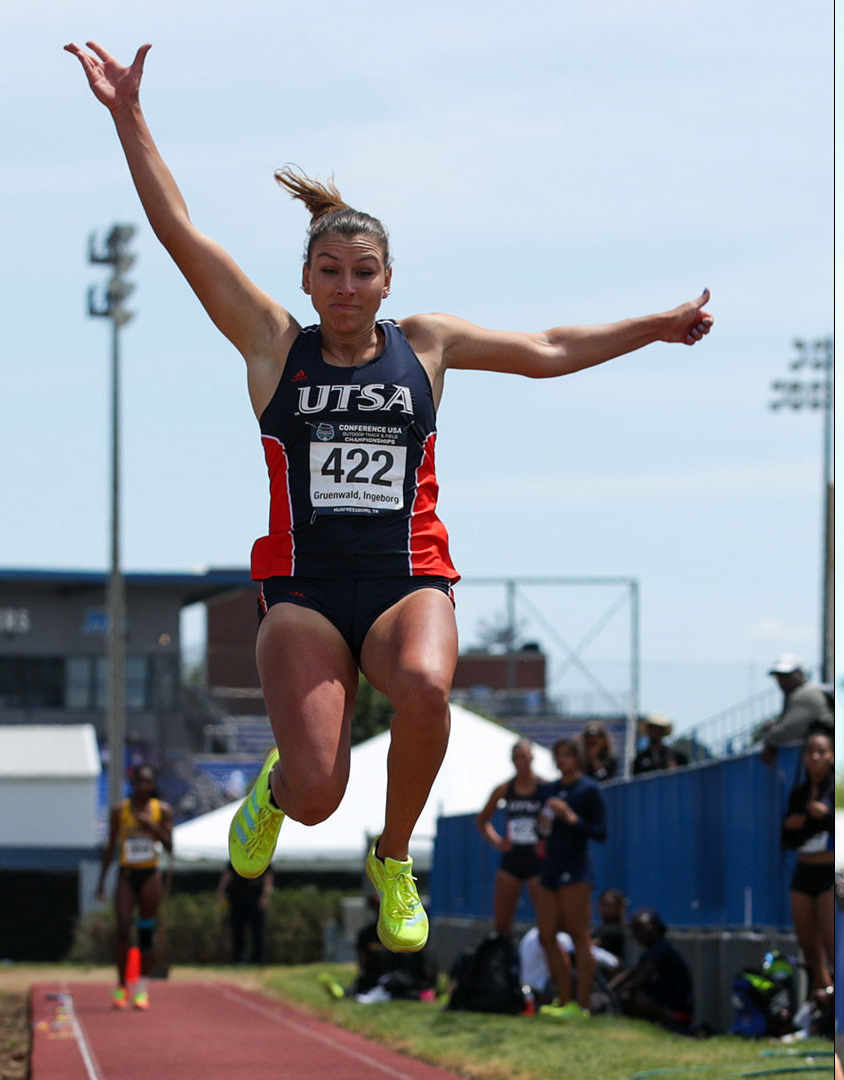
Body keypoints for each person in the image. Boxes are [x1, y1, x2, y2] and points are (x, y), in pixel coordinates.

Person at [65, 41, 713, 956]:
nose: (346, 287)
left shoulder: (429, 344)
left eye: (362, 270)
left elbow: (553, 347)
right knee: (319, 789)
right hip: (304, 592)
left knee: (424, 686)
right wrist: (129, 116)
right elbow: (182, 235)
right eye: (329, 270)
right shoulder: (271, 347)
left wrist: (658, 326)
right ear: (306, 280)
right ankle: (276, 792)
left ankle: (394, 857)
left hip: (410, 575)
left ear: (387, 278)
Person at [535, 737, 609, 1017]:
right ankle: (564, 1000)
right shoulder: (550, 790)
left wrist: (570, 817)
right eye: (559, 755)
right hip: (550, 867)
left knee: (580, 936)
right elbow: (541, 831)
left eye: (568, 755)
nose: (562, 760)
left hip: (576, 869)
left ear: (578, 758)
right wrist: (543, 826)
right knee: (546, 935)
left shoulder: (589, 790)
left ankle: (583, 1004)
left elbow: (600, 832)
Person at [96, 764, 174, 1009]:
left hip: (149, 875)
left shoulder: (161, 810)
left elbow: (171, 846)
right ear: (132, 783)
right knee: (122, 929)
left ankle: (141, 989)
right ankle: (121, 987)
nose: (143, 786)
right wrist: (101, 881)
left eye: (147, 782)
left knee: (145, 933)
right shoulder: (120, 811)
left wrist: (151, 826)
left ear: (153, 785)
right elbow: (110, 847)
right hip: (126, 874)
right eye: (139, 781)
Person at [784, 729, 836, 1011]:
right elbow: (787, 839)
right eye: (809, 752)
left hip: (828, 872)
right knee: (808, 945)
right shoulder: (798, 793)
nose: (814, 757)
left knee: (831, 942)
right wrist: (792, 825)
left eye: (820, 752)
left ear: (831, 756)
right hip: (804, 869)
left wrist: (826, 815)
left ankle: (836, 1000)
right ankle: (822, 998)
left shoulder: (834, 790)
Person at [474, 736, 546, 937]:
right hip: (512, 857)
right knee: (502, 924)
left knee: (546, 923)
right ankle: (504, 961)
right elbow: (482, 820)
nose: (520, 761)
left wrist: (546, 841)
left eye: (524, 756)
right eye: (516, 757)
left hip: (537, 860)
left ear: (532, 758)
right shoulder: (505, 789)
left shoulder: (545, 787)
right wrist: (497, 842)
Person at [611, 909, 696, 1033]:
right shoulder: (652, 950)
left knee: (627, 999)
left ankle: (667, 1023)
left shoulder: (660, 949)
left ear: (654, 928)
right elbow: (630, 973)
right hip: (666, 1005)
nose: (636, 934)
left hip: (674, 1010)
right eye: (634, 929)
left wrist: (617, 994)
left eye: (640, 928)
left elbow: (638, 980)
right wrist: (610, 990)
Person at [760, 654, 833, 766]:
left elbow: (783, 734)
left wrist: (769, 735)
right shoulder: (797, 694)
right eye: (779, 676)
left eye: (787, 675)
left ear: (799, 674)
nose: (782, 681)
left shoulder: (804, 695)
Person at [217, 865, 272, 965]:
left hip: (255, 900)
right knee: (237, 931)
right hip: (237, 900)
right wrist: (221, 892)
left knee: (257, 931)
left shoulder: (262, 858)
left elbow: (268, 878)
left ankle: (258, 959)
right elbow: (227, 875)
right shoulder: (237, 858)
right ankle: (239, 959)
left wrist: (265, 896)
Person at [597, 888, 631, 961]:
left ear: (620, 907)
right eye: (602, 903)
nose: (603, 908)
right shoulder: (598, 929)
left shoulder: (624, 930)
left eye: (608, 905)